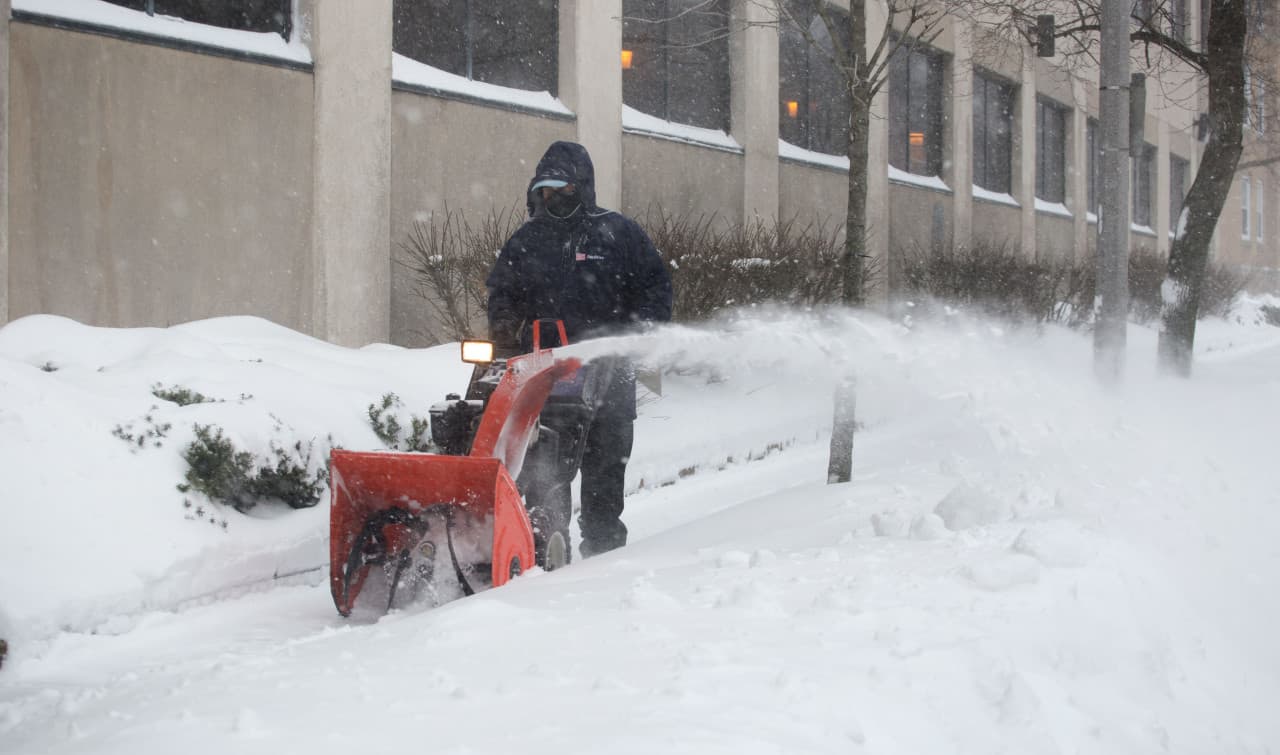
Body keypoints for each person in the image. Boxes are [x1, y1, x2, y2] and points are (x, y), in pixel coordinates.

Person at [486, 141, 672, 558]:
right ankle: (544, 540)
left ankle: (603, 551)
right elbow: (501, 292)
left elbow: (655, 286)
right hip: (543, 372)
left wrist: (640, 331)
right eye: (547, 191)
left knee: (605, 467)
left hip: (609, 372)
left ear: (581, 188)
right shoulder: (527, 241)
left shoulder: (617, 233)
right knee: (543, 463)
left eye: (564, 189)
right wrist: (506, 327)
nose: (554, 199)